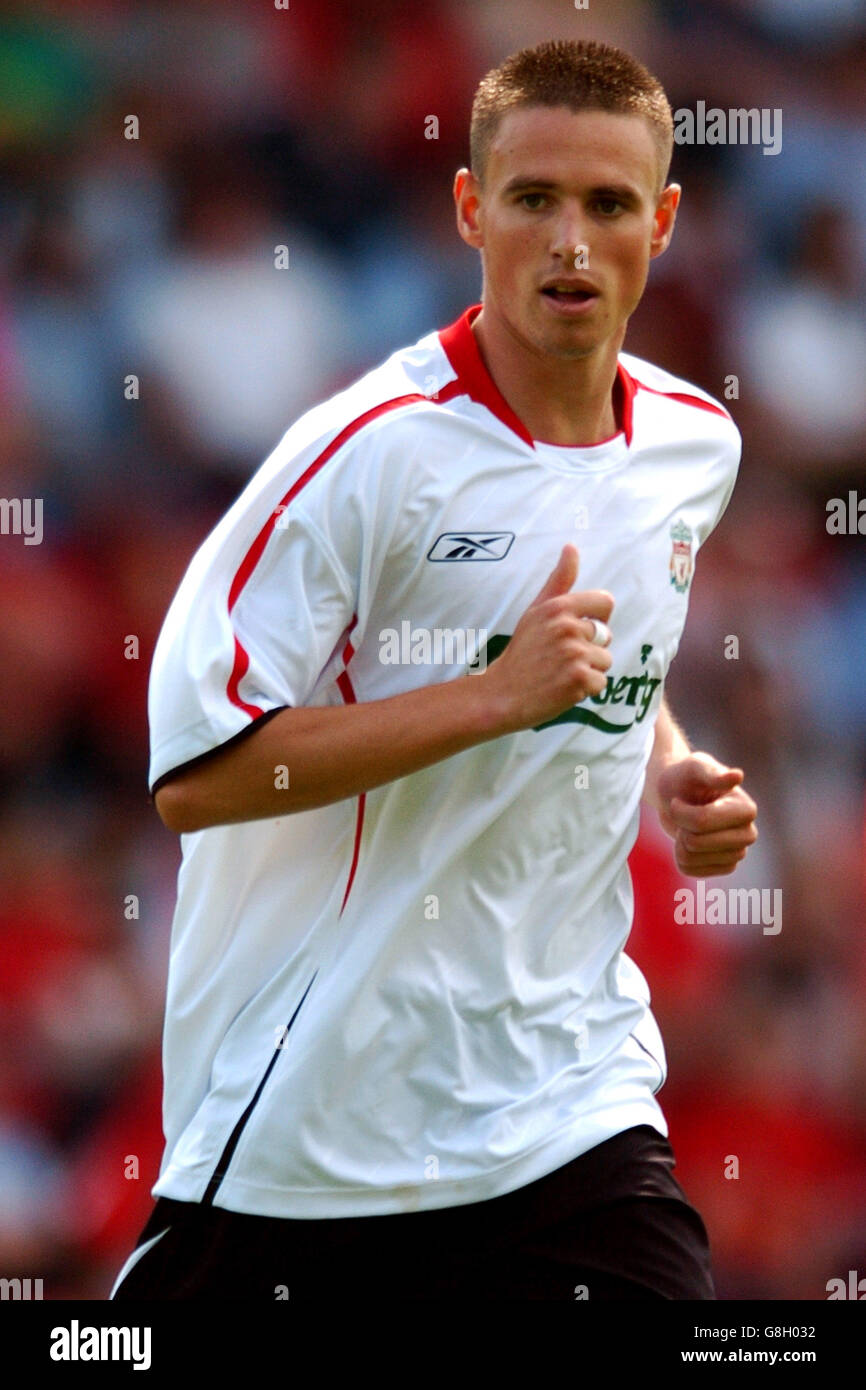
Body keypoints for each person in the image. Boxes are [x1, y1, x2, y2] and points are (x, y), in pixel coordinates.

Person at [111, 37, 758, 1302]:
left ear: (662, 222)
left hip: (567, 1106)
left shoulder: (695, 443)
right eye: (532, 199)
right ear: (471, 208)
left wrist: (670, 770)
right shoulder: (362, 455)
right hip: (313, 1132)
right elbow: (196, 771)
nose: (569, 240)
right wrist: (491, 699)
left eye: (607, 204)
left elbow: (610, 645)